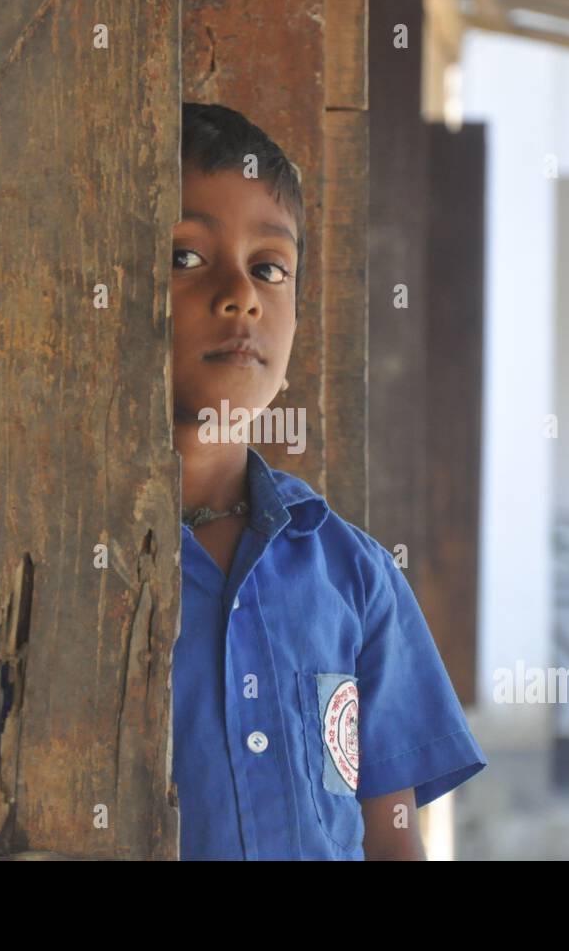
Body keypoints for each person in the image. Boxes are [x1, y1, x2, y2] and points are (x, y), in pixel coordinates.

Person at [170, 102, 487, 860]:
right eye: (185, 256)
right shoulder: (65, 562)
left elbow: (392, 840)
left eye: (269, 269)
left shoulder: (353, 575)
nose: (240, 294)